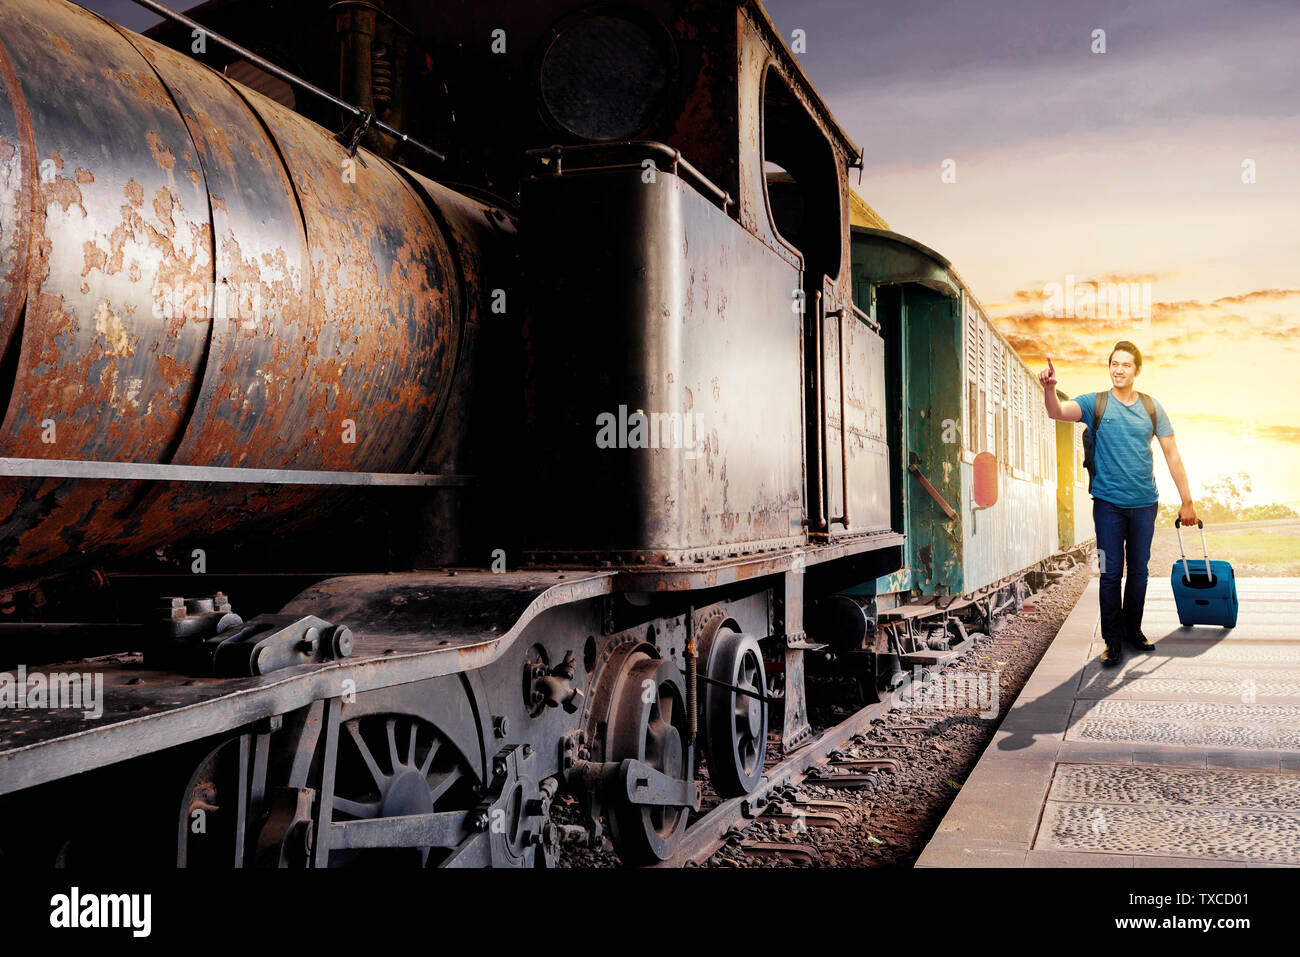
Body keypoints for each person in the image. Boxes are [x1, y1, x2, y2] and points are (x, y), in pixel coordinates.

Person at [1040, 341, 1197, 667]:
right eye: (1114, 363)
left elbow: (1173, 456)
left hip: (1144, 504)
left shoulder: (1153, 408)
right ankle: (1113, 642)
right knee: (1110, 573)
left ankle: (1132, 631)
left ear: (1136, 370)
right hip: (1108, 504)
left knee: (1139, 572)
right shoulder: (1093, 403)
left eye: (1126, 364)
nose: (1119, 369)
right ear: (1109, 367)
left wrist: (1187, 502)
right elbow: (1056, 412)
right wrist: (1050, 389)